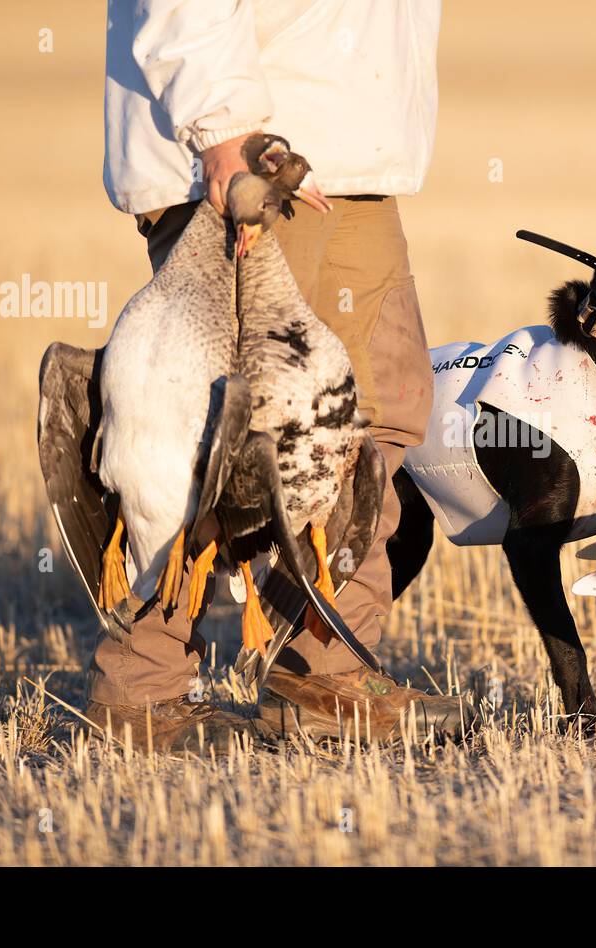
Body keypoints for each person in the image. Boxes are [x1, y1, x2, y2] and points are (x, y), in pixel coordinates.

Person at [86, 0, 462, 749]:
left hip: (352, 156)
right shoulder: (235, 141)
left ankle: (324, 676)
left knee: (368, 424)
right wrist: (223, 128)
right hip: (252, 156)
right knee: (206, 443)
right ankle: (141, 692)